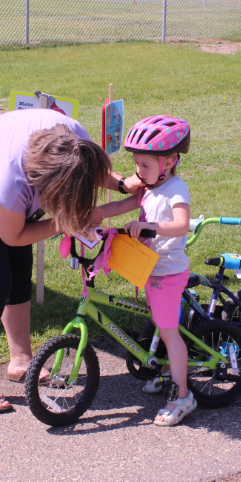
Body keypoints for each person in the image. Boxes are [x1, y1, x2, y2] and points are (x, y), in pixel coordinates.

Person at [0, 108, 141, 413]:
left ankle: (21, 361)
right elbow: (12, 235)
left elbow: (89, 168)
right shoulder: (11, 180)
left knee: (18, 272)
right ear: (47, 185)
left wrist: (124, 184)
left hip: (12, 184)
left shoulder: (73, 137)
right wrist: (67, 221)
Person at [98, 116, 196, 426]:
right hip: (152, 271)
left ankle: (183, 396)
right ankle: (168, 372)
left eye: (144, 165)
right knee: (161, 325)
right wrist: (90, 216)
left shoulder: (176, 189)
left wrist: (150, 227)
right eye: (136, 164)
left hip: (168, 273)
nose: (137, 172)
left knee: (168, 332)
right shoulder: (150, 188)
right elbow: (118, 207)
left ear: (169, 161)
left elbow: (181, 224)